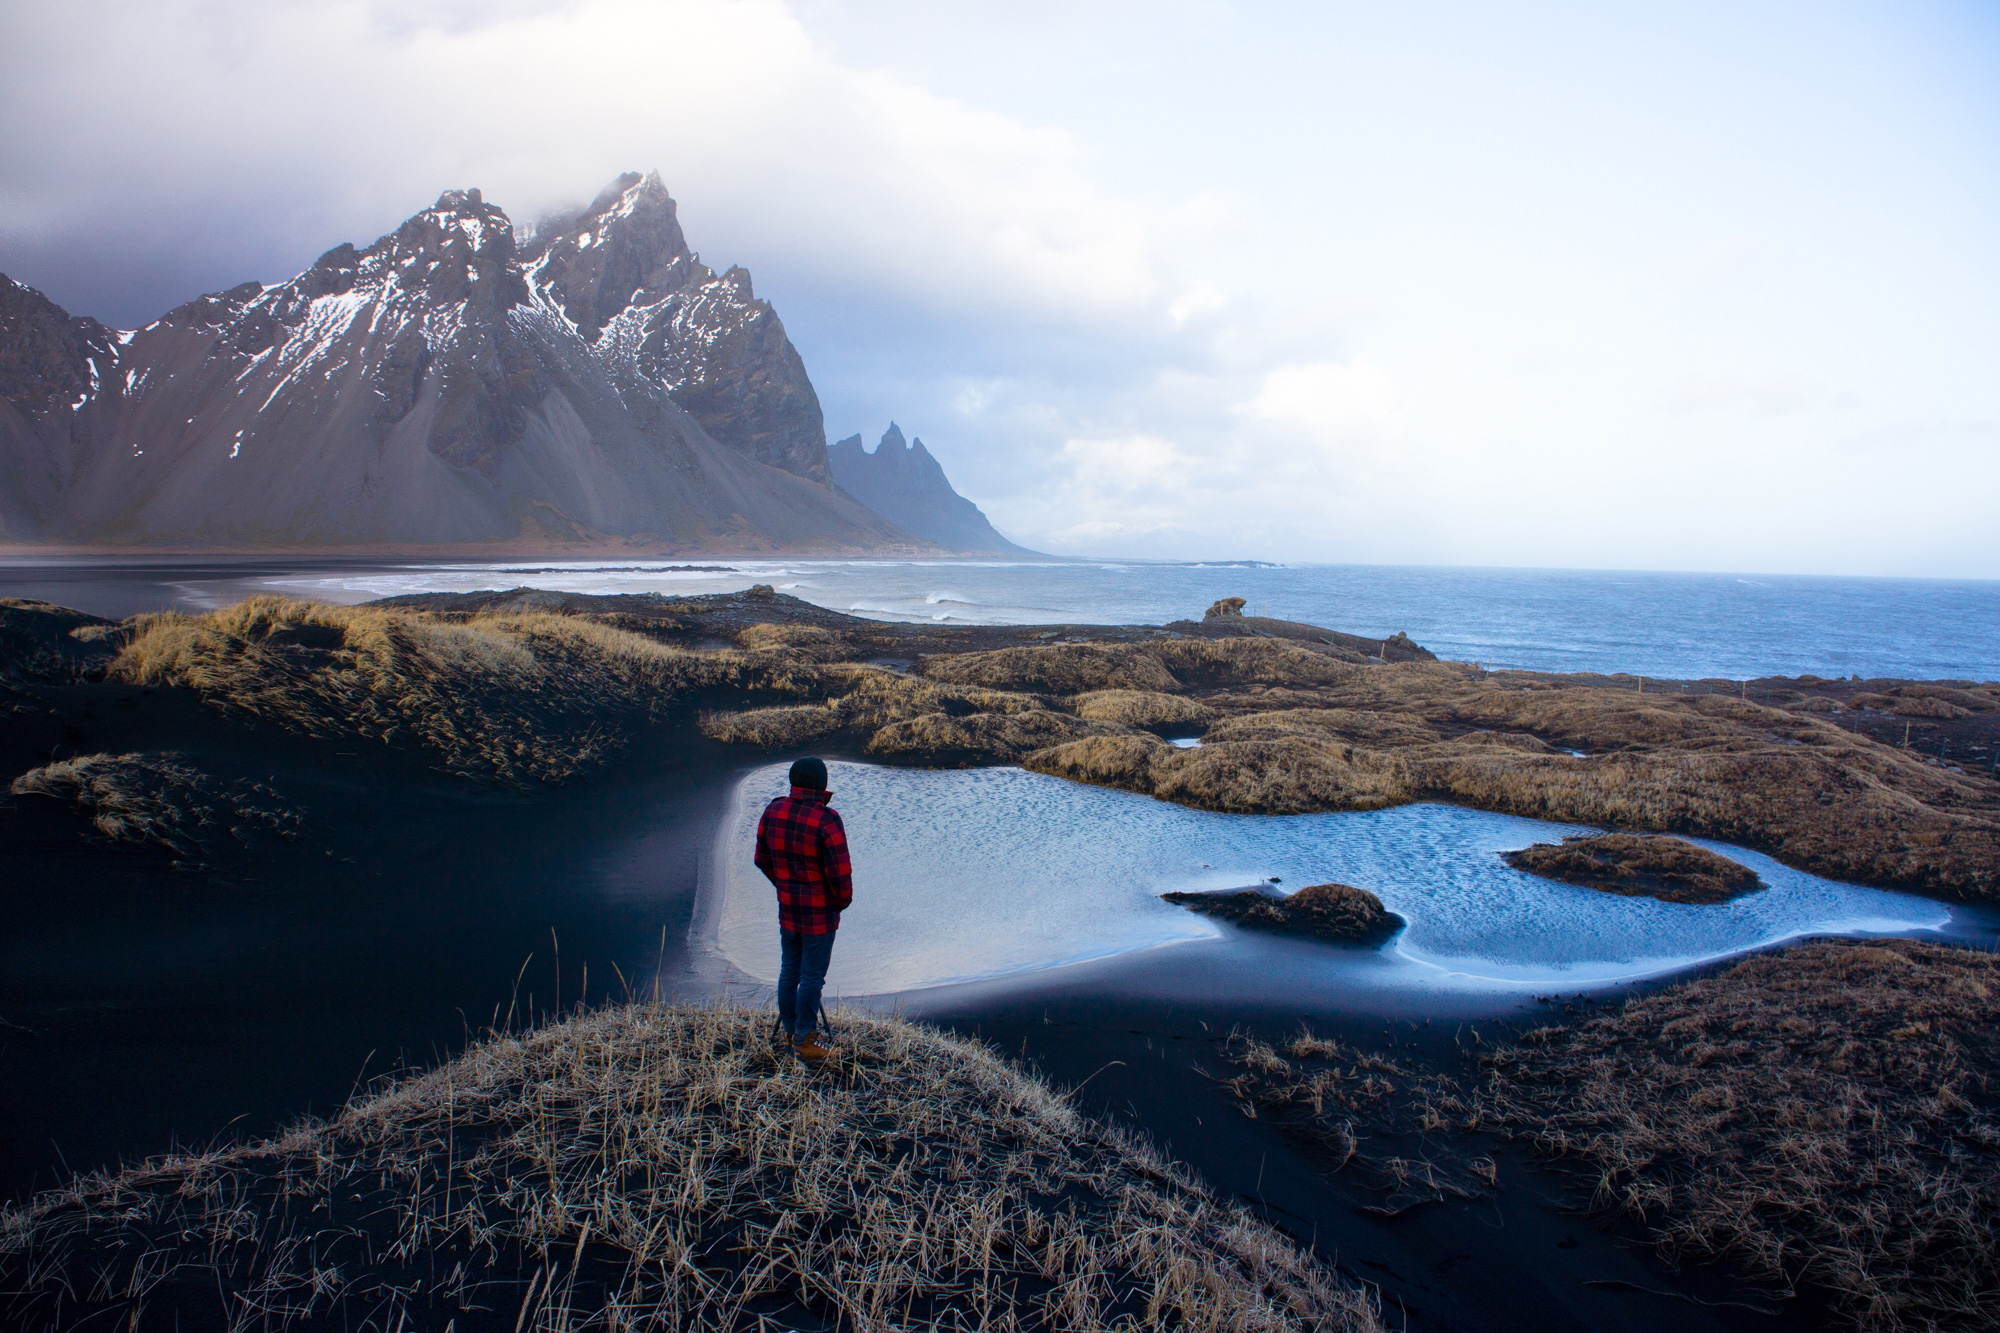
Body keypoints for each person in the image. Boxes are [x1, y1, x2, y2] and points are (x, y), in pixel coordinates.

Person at [753, 756, 852, 1063]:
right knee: (811, 977)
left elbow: (761, 858)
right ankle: (805, 1040)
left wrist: (784, 885)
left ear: (793, 781)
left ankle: (792, 1030)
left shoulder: (773, 810)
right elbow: (841, 877)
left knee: (789, 970)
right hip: (819, 915)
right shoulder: (827, 819)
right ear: (821, 784)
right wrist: (839, 902)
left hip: (788, 908)